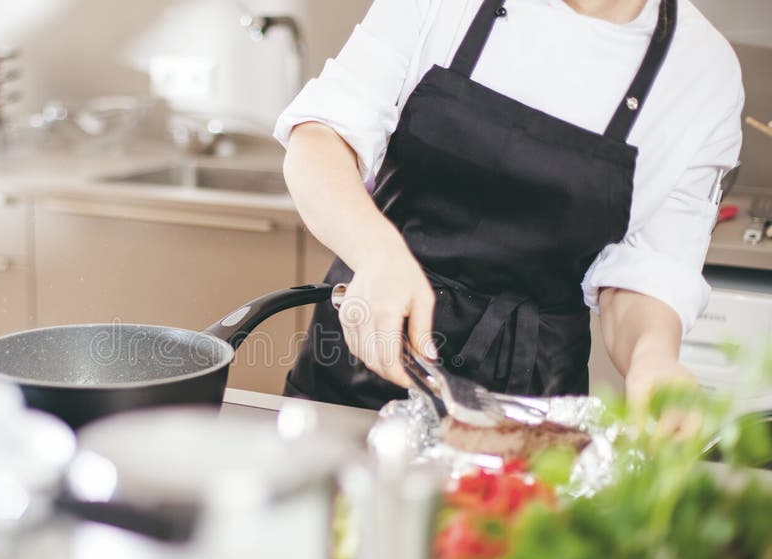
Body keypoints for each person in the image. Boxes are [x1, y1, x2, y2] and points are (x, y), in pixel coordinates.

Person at [276, 0, 743, 411]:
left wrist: (652, 361)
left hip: (529, 403)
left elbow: (647, 271)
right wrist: (377, 254)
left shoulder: (702, 71)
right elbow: (320, 137)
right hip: (369, 351)